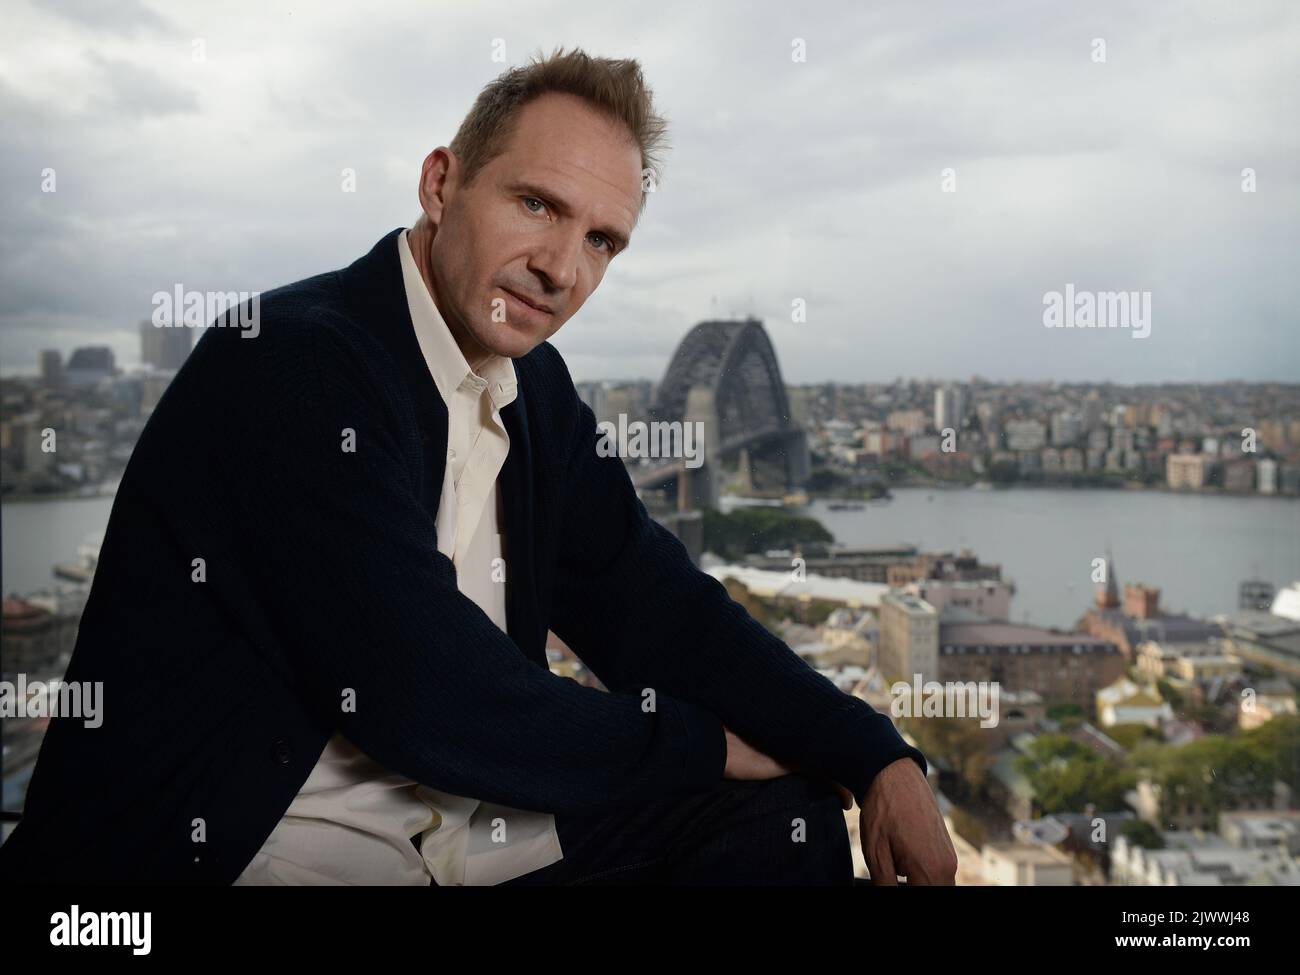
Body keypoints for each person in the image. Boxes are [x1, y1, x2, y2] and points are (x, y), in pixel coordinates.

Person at [0, 46, 956, 886]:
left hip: (460, 840)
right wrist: (704, 745)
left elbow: (651, 600)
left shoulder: (531, 386)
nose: (561, 267)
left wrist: (872, 753)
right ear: (440, 183)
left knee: (783, 825)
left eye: (600, 240)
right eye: (536, 204)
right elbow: (423, 691)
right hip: (255, 849)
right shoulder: (296, 362)